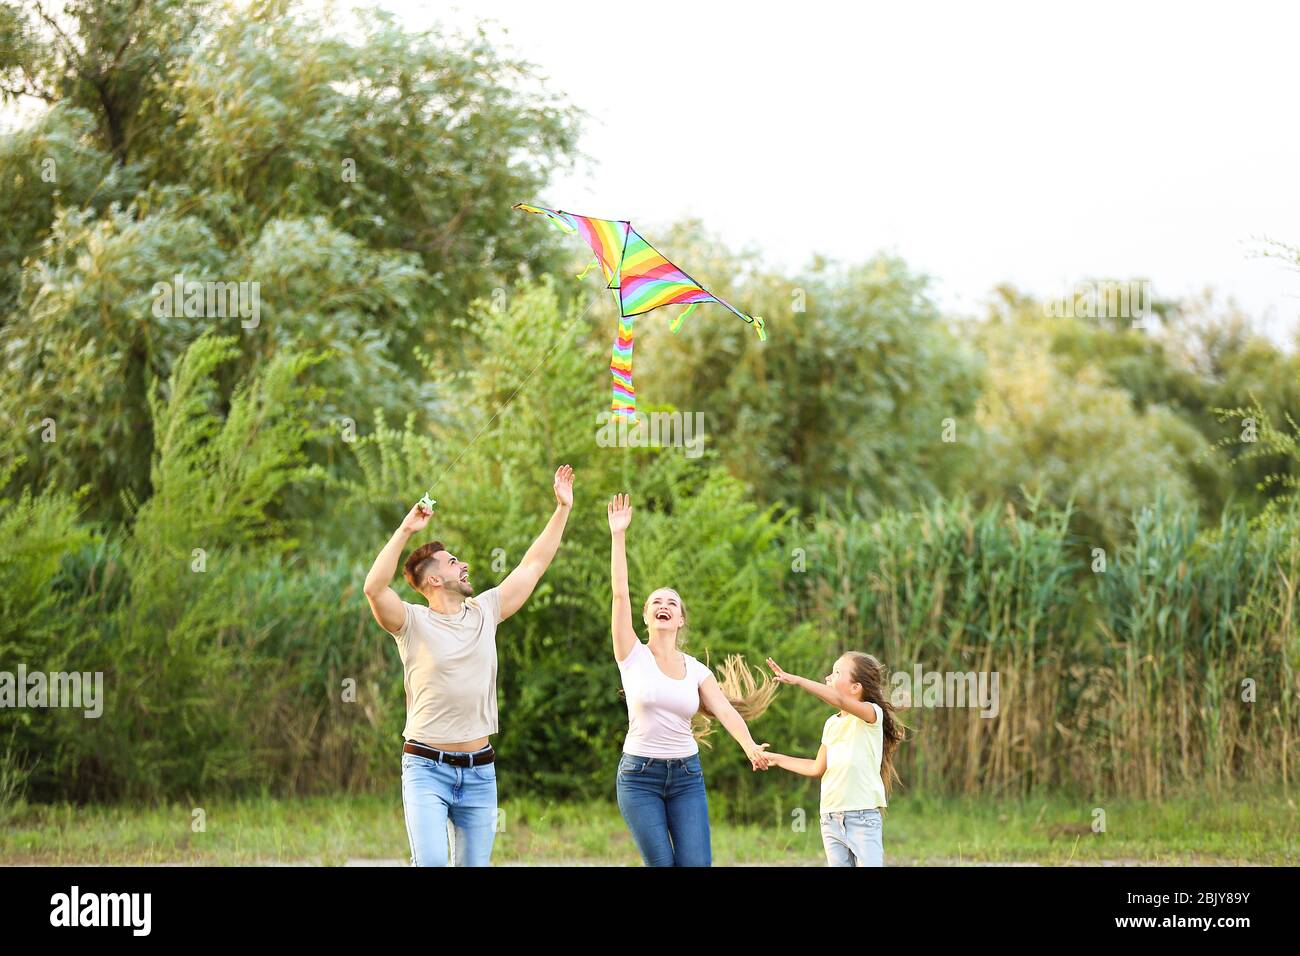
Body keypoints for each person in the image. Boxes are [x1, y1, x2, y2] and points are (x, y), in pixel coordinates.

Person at [362, 465, 575, 866]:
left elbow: (533, 566)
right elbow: (373, 587)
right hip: (426, 768)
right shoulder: (411, 622)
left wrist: (562, 508)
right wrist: (406, 530)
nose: (464, 565)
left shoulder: (485, 610)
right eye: (453, 561)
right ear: (433, 581)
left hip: (480, 773)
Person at [606, 492, 776, 867]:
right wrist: (619, 536)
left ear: (681, 619)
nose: (663, 606)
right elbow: (619, 593)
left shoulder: (697, 670)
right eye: (656, 603)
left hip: (686, 776)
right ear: (646, 617)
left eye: (672, 604)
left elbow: (726, 712)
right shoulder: (631, 655)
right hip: (639, 777)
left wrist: (749, 747)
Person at [761, 652, 904, 866]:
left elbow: (838, 699)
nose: (828, 677)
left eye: (836, 673)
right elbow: (817, 768)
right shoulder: (831, 724)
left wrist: (798, 680)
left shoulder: (871, 715)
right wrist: (776, 759)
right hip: (830, 818)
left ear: (856, 687)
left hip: (862, 817)